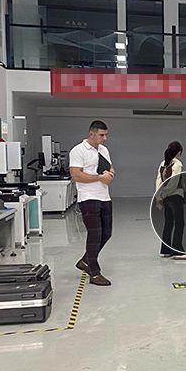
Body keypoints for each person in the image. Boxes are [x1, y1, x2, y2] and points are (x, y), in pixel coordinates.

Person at [69, 120, 115, 286]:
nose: (104, 138)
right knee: (94, 235)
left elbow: (111, 167)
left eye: (106, 135)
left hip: (104, 197)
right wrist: (100, 178)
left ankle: (85, 261)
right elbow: (76, 175)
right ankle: (94, 273)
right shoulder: (78, 151)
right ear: (91, 134)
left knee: (106, 233)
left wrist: (110, 174)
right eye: (101, 135)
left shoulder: (103, 150)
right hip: (88, 198)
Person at [156, 141, 186, 260]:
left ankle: (166, 250)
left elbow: (158, 181)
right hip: (175, 196)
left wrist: (160, 196)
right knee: (179, 223)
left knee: (168, 223)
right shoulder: (177, 164)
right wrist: (166, 193)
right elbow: (173, 183)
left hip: (165, 198)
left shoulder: (163, 164)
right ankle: (178, 251)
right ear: (179, 152)